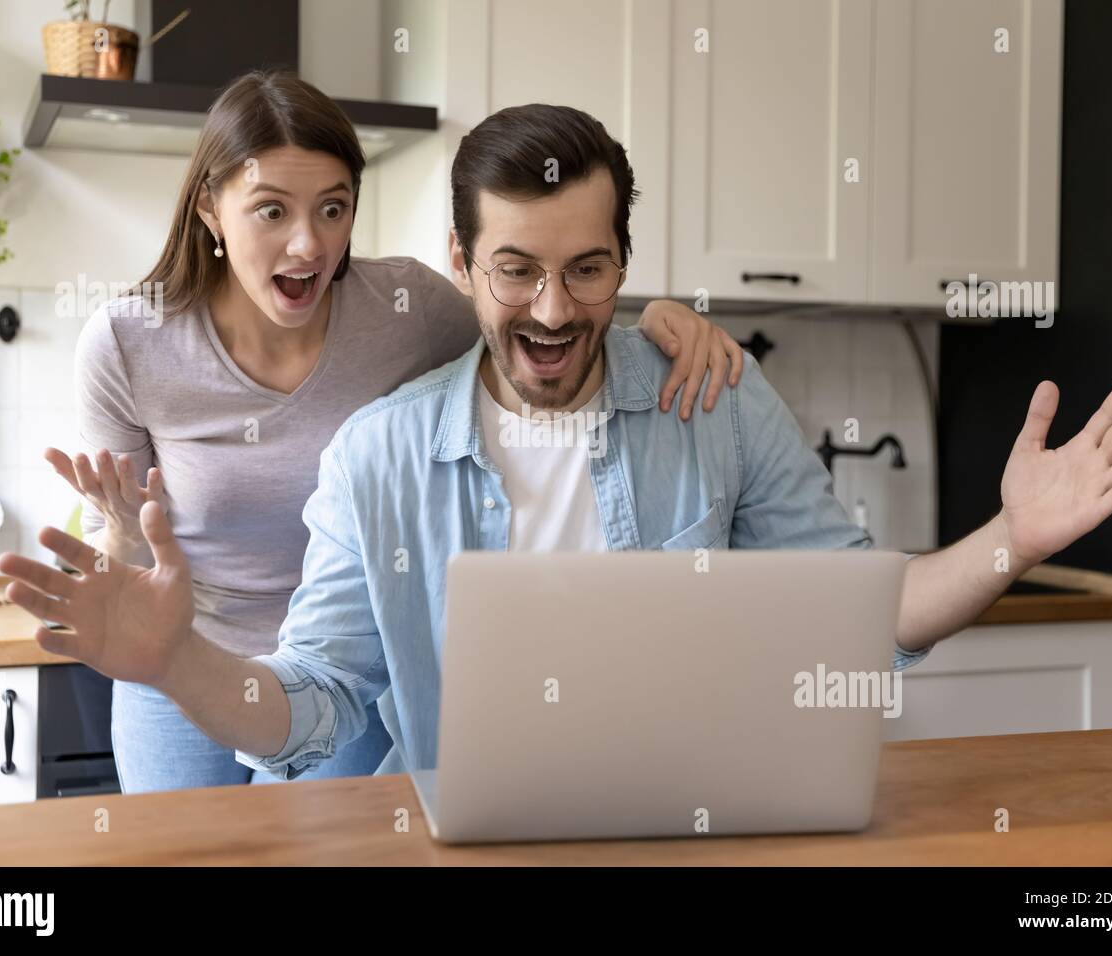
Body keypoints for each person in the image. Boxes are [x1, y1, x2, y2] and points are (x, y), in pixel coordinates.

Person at [1, 103, 1112, 782]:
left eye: (588, 268)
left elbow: (864, 603)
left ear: (624, 259)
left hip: (691, 820)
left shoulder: (712, 397)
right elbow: (320, 706)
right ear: (458, 269)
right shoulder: (379, 455)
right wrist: (175, 663)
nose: (553, 311)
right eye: (514, 270)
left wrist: (1011, 537)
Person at [50, 75, 745, 794]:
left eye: (333, 208)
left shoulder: (409, 309)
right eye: (270, 210)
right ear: (209, 210)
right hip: (187, 660)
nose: (307, 242)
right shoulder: (129, 345)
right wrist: (122, 543)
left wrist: (659, 323)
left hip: (348, 669)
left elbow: (536, 327)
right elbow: (128, 554)